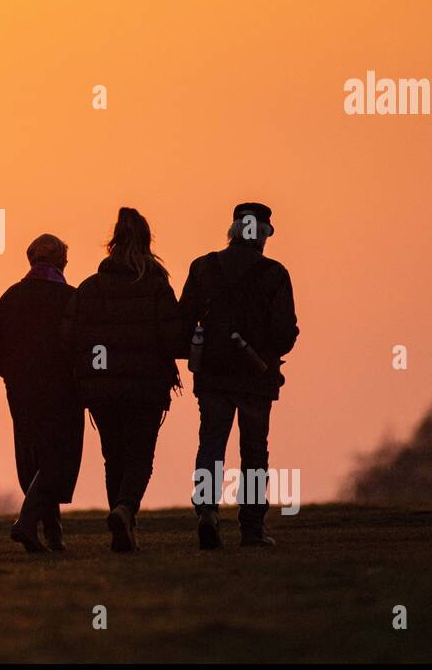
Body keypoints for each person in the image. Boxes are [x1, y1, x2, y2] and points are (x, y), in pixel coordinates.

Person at [178, 202, 299, 549]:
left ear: (232, 230)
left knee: (211, 445)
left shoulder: (202, 267)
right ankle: (251, 528)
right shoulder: (276, 274)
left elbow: (184, 321)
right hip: (256, 378)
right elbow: (283, 333)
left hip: (212, 376)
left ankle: (207, 511)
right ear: (263, 234)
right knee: (254, 452)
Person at [65, 208, 183, 552]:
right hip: (146, 388)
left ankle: (120, 518)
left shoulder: (89, 288)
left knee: (112, 456)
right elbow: (174, 341)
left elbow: (69, 336)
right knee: (139, 456)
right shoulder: (157, 286)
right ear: (147, 242)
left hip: (100, 388)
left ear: (112, 243)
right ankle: (126, 509)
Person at [0, 234, 84, 553]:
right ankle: (28, 523)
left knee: (34, 457)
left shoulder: (11, 297)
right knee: (59, 456)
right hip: (62, 389)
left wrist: (10, 373)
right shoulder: (71, 297)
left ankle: (52, 533)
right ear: (63, 262)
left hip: (21, 389)